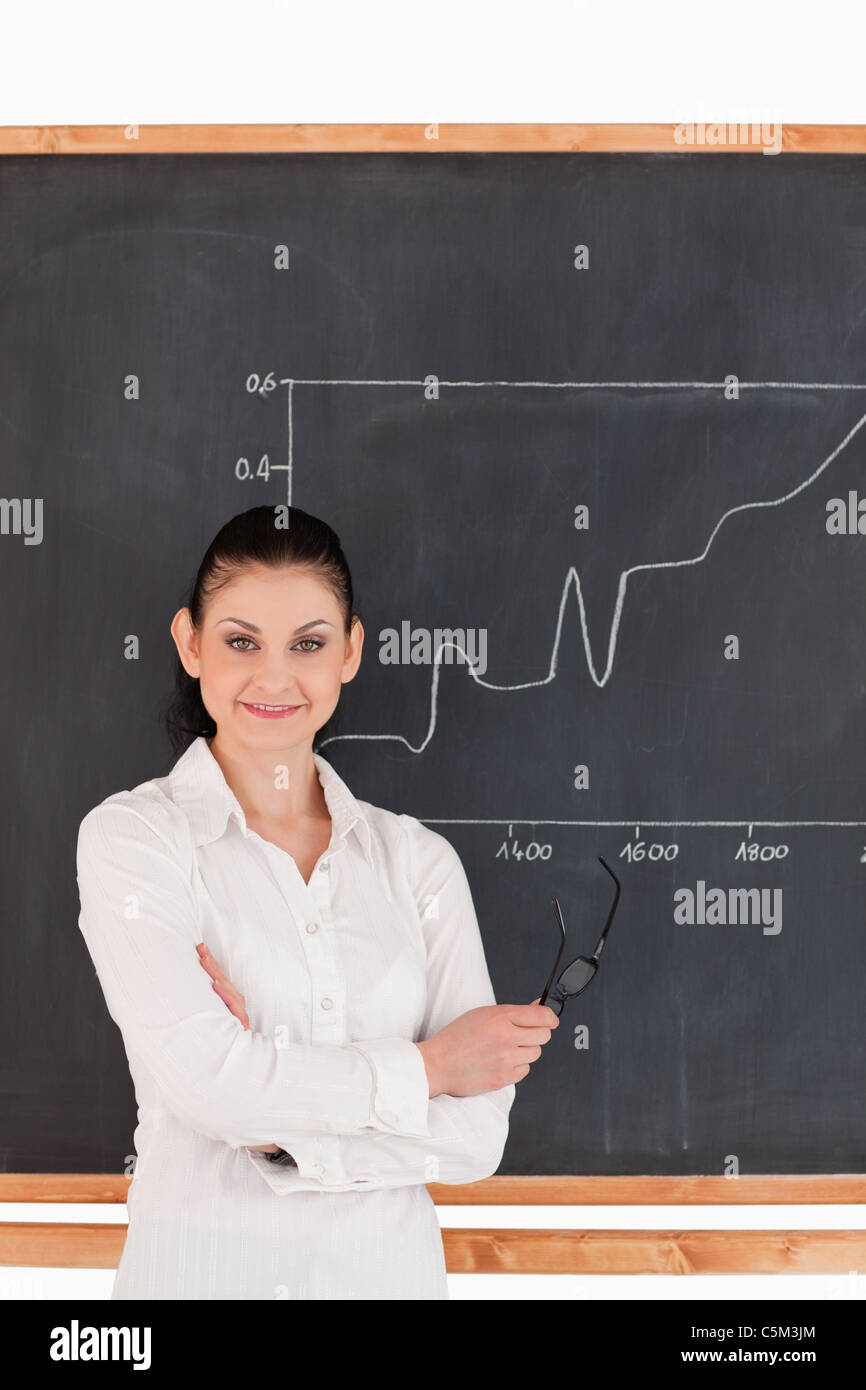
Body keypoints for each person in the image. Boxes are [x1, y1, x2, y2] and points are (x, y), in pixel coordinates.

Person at [75, 504, 558, 1300]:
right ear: (190, 644)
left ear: (351, 651)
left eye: (307, 643)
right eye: (240, 642)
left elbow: (474, 1142)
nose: (274, 676)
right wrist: (431, 1070)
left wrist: (276, 1138)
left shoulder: (418, 864)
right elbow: (210, 1086)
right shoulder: (134, 840)